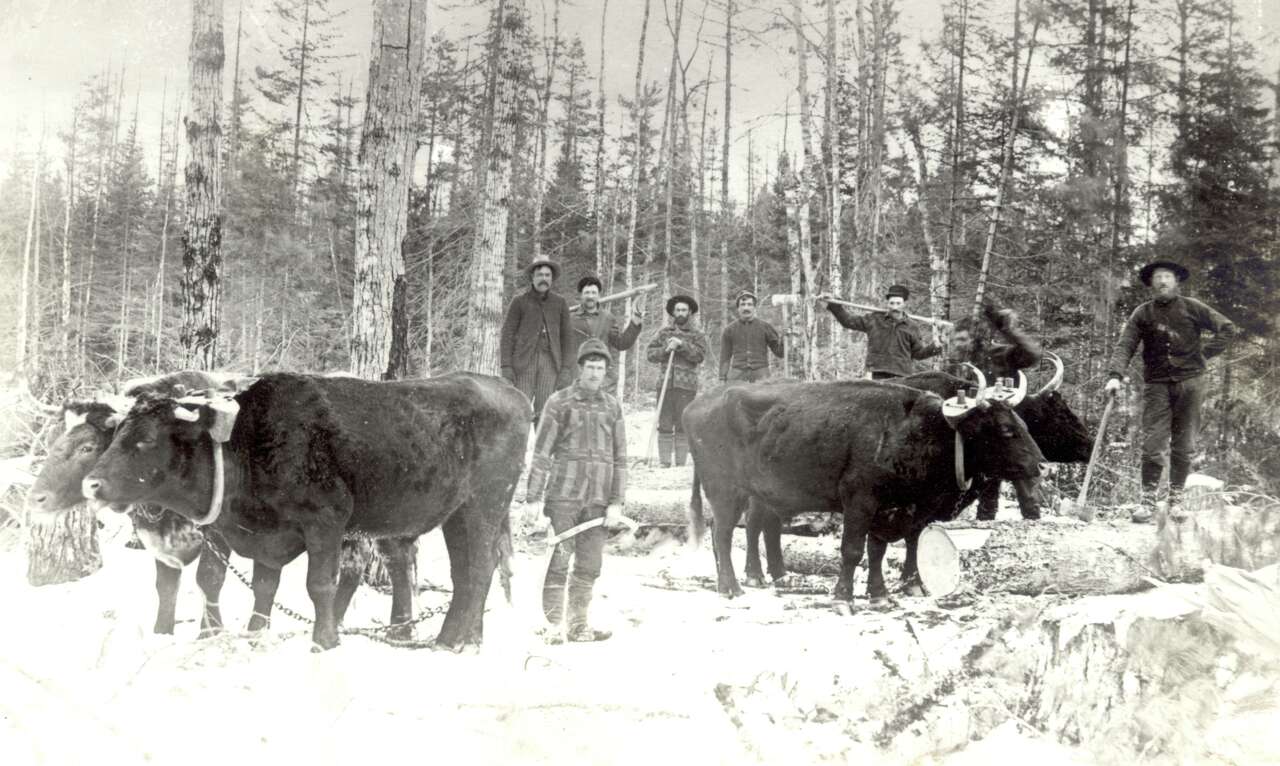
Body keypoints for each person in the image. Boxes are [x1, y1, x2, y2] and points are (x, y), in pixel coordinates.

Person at [1105, 259, 1235, 524]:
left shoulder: (1192, 307)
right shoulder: (1142, 313)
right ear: (1151, 284)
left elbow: (1227, 329)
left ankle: (1176, 502)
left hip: (1192, 384)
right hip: (1157, 385)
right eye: (1157, 278)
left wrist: (1203, 355)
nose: (1162, 281)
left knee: (1184, 446)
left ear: (1176, 281)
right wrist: (1115, 376)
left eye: (1167, 277)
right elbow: (1125, 344)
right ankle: (1147, 503)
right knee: (1153, 445)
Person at [523, 338, 628, 642]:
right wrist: (532, 498)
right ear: (580, 369)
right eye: (590, 367)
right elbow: (542, 454)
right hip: (564, 497)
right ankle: (554, 626)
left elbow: (621, 458)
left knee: (590, 564)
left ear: (607, 370)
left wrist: (616, 502)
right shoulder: (559, 402)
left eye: (600, 367)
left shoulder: (612, 407)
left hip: (598, 501)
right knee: (559, 559)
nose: (595, 373)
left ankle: (578, 625)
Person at [946, 301, 1045, 520]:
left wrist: (1008, 330)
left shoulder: (999, 355)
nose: (958, 344)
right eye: (954, 340)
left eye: (962, 339)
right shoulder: (958, 365)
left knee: (1022, 472)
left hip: (1006, 425)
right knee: (985, 479)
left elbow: (1031, 355)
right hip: (977, 429)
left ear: (975, 339)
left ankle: (1033, 522)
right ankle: (984, 522)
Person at [500, 258, 576, 421]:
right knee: (520, 411)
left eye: (547, 275)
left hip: (550, 364)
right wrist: (506, 366)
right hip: (523, 364)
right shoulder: (519, 302)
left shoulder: (560, 303)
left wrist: (566, 369)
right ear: (532, 278)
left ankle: (542, 447)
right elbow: (507, 335)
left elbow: (567, 339)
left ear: (552, 278)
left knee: (545, 414)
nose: (544, 278)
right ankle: (518, 447)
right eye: (539, 275)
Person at [816, 284, 942, 380]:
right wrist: (833, 305)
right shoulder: (874, 319)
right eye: (892, 303)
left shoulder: (912, 326)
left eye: (898, 303)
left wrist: (934, 347)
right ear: (887, 303)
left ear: (904, 304)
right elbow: (848, 321)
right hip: (878, 372)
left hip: (902, 376)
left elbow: (918, 353)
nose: (895, 307)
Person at [645, 295, 708, 467]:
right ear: (673, 312)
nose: (680, 313)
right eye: (678, 310)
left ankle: (680, 464)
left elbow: (700, 356)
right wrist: (666, 349)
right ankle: (664, 463)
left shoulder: (697, 334)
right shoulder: (664, 333)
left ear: (689, 313)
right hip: (665, 384)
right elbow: (650, 354)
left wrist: (682, 345)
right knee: (664, 423)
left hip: (687, 386)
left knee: (682, 424)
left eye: (684, 310)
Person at [571, 275, 643, 393]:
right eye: (587, 292)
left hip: (603, 380)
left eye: (594, 293)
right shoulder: (570, 319)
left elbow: (621, 344)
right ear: (581, 295)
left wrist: (635, 322)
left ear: (599, 295)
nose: (590, 296)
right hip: (577, 378)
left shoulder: (607, 318)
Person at [719, 290, 784, 383]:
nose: (746, 308)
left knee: (765, 396)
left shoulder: (765, 327)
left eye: (749, 304)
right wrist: (722, 377)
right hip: (738, 373)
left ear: (754, 307)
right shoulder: (729, 330)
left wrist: (784, 340)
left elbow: (780, 353)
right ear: (738, 308)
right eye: (743, 304)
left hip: (761, 372)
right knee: (734, 395)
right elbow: (725, 356)